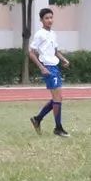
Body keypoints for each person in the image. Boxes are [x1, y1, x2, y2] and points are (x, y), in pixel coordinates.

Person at [28, 8, 71, 137]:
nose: (49, 20)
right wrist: (42, 67)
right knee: (57, 98)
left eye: (51, 17)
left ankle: (37, 119)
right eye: (46, 18)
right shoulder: (39, 34)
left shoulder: (53, 34)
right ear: (41, 20)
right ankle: (58, 128)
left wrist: (64, 59)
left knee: (58, 98)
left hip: (55, 66)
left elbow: (55, 51)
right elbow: (31, 52)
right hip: (48, 68)